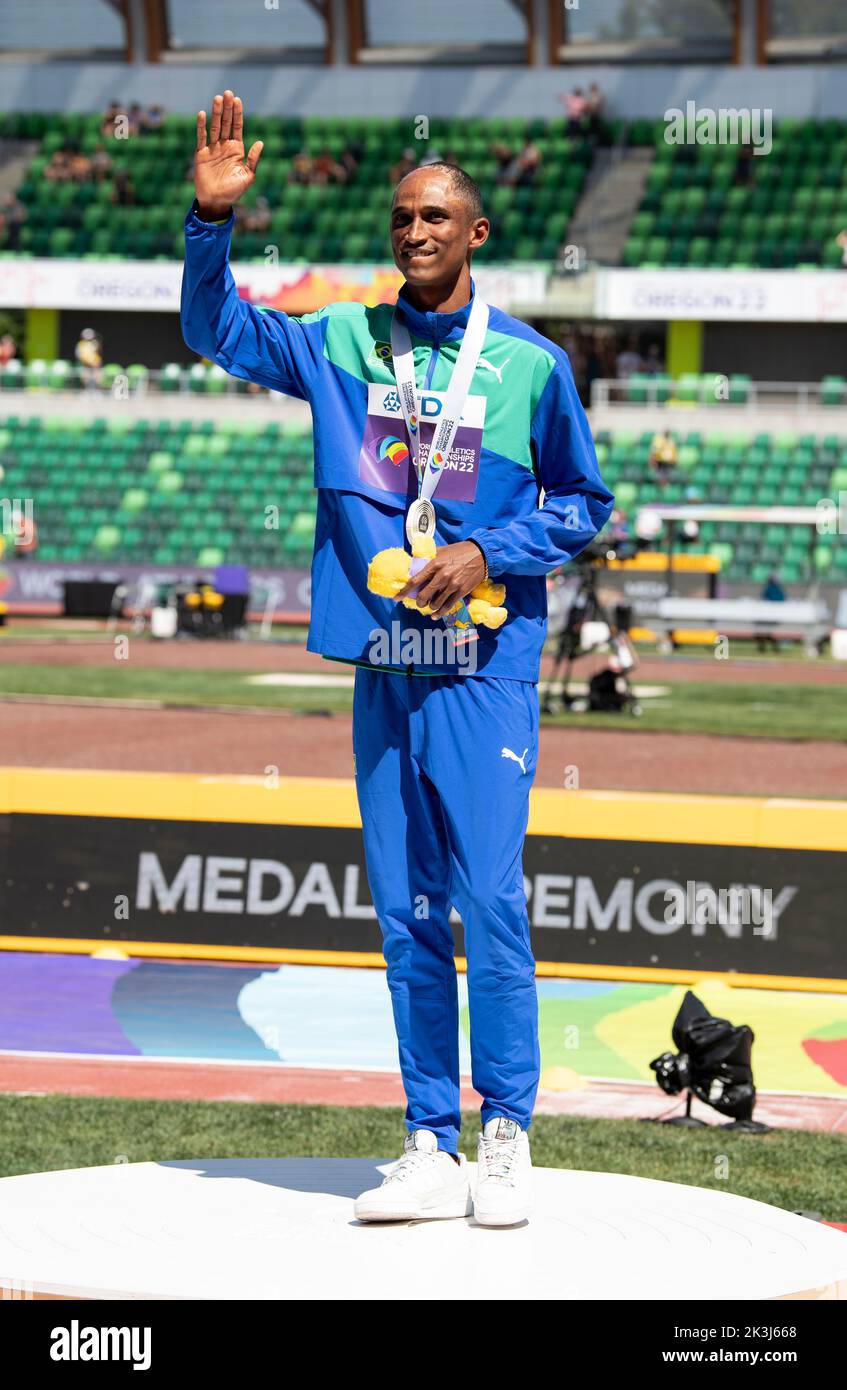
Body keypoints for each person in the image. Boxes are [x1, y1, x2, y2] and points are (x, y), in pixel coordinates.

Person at [181, 90, 613, 1227]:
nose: (413, 232)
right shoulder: (341, 341)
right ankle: (428, 1137)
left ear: (475, 235)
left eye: (434, 217)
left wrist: (485, 553)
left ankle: (505, 1130)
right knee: (410, 910)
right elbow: (215, 331)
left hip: (483, 665)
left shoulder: (529, 365)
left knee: (485, 895)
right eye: (399, 219)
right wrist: (210, 224)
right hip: (388, 659)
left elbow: (583, 504)